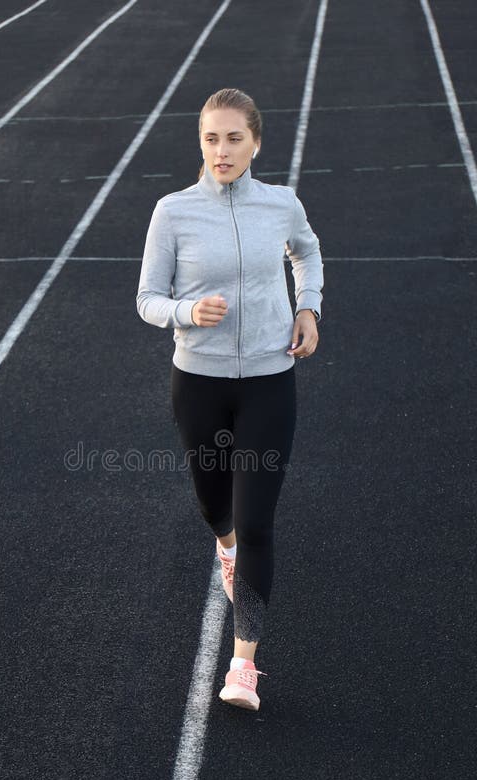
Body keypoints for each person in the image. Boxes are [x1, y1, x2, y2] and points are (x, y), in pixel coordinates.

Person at [135, 88, 323, 712]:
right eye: (211, 139)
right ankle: (224, 544)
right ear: (201, 143)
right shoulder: (173, 212)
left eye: (234, 139)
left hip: (271, 377)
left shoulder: (281, 204)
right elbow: (147, 299)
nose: (222, 150)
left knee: (259, 519)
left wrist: (308, 307)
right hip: (199, 383)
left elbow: (308, 250)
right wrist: (188, 310)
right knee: (215, 504)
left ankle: (244, 664)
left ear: (256, 143)